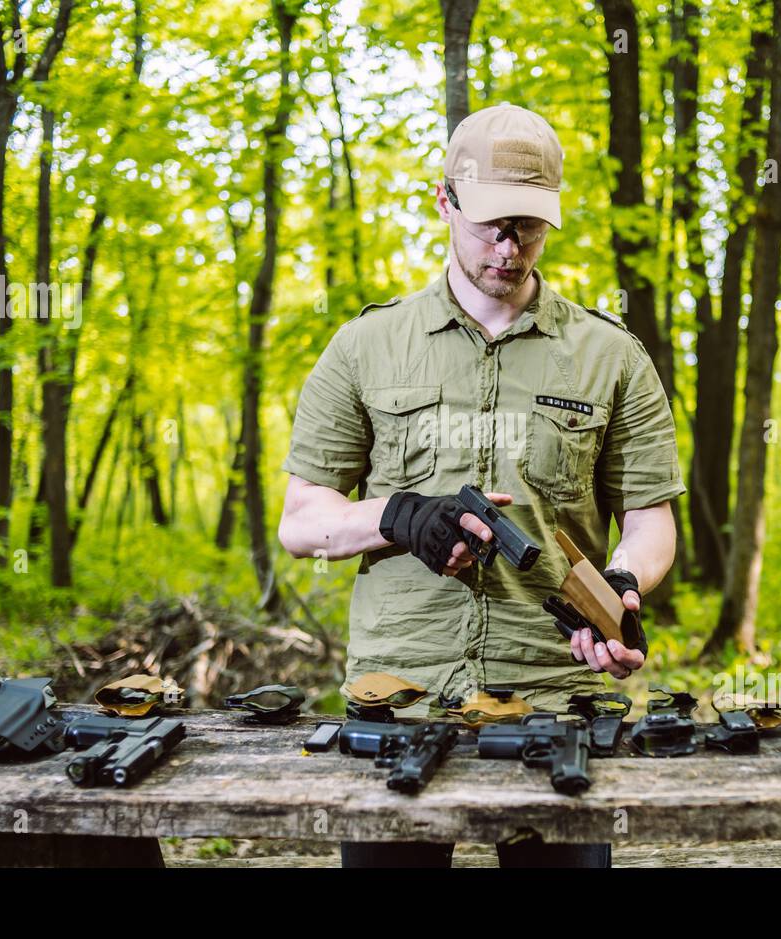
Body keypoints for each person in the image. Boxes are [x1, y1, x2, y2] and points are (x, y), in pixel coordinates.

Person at [278, 103, 685, 867]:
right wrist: (400, 517)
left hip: (558, 691)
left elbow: (651, 519)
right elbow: (302, 521)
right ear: (444, 202)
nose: (509, 246)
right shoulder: (365, 346)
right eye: (492, 223)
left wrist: (623, 582)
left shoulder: (611, 356)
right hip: (399, 690)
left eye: (529, 225)